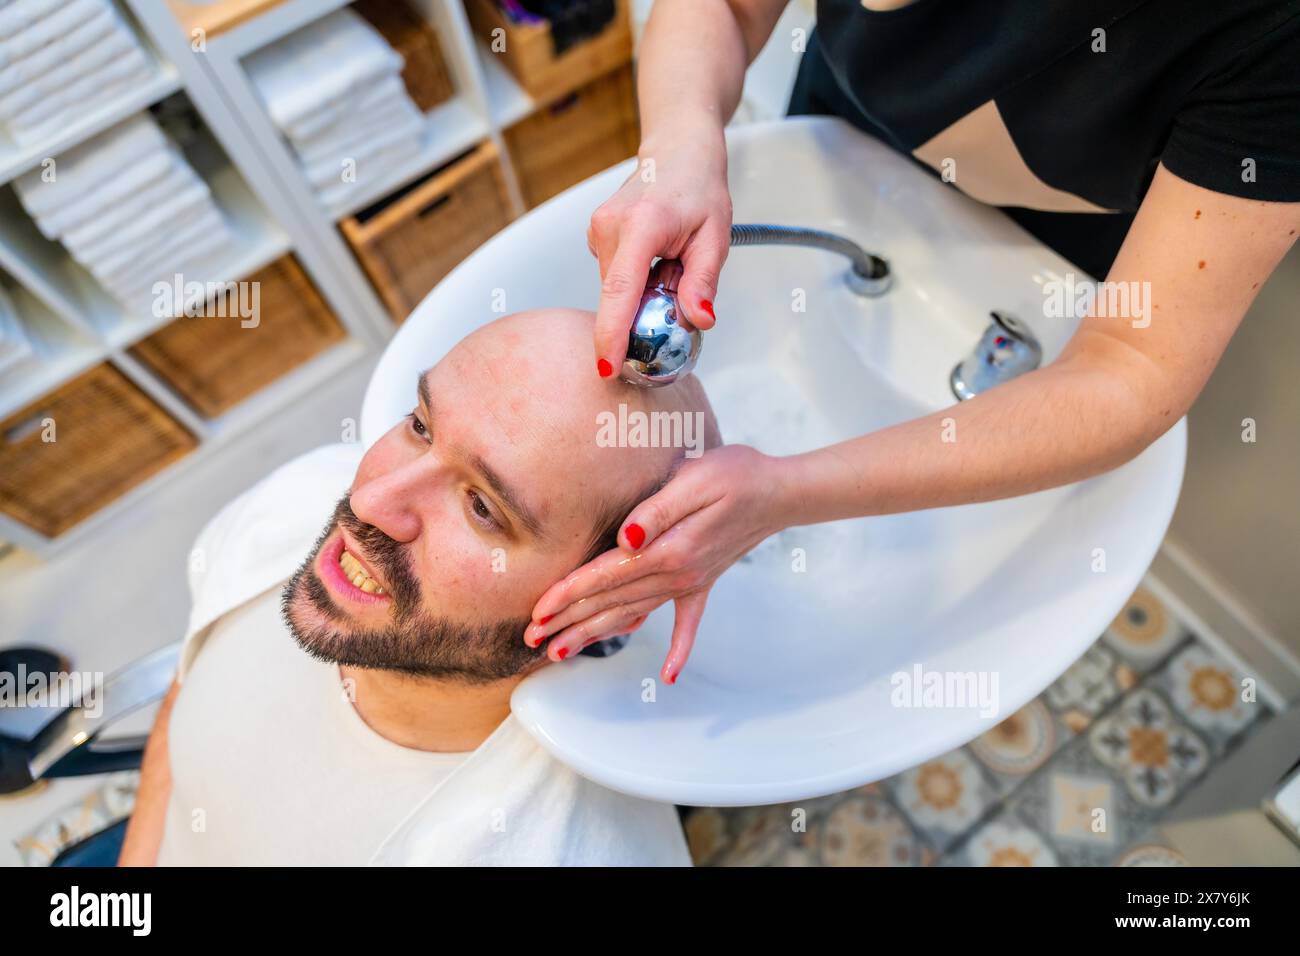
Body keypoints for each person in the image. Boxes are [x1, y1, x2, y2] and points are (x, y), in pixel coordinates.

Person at [526, 0, 1300, 683]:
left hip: (1042, 285)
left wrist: (791, 494)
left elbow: (1132, 369)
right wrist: (680, 146)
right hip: (838, 154)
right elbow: (727, 8)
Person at [118, 308, 718, 866]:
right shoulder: (295, 501)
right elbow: (187, 696)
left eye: (482, 507)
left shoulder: (557, 847)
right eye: (420, 426)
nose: (371, 500)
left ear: (608, 607)